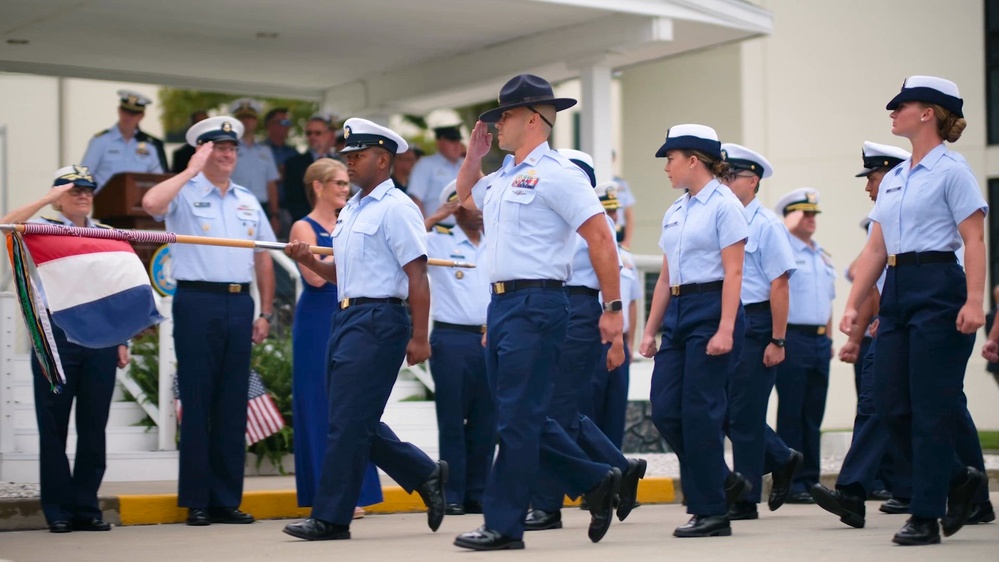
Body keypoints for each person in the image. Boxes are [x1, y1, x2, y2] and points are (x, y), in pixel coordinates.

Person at [452, 74, 624, 551]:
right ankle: (595, 480)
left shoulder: (560, 174)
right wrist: (473, 156)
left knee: (516, 420)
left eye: (503, 116)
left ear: (532, 118)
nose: (496, 125)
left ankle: (503, 525)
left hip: (538, 302)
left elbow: (600, 238)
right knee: (517, 415)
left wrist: (612, 307)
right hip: (503, 305)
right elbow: (466, 197)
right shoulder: (505, 175)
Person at [281, 118, 446, 541]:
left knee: (346, 423)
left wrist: (420, 336)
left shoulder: (398, 207)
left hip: (380, 319)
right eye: (348, 155)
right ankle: (424, 473)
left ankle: (331, 518)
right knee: (348, 419)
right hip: (345, 316)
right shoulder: (352, 209)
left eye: (358, 155)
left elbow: (417, 274)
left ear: (383, 160)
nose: (350, 162)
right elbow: (343, 273)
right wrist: (308, 260)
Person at [843, 76, 989, 545]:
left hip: (939, 284)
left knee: (930, 408)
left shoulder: (953, 171)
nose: (893, 112)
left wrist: (974, 300)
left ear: (928, 113)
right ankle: (959, 479)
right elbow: (875, 249)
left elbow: (974, 239)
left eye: (901, 106)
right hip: (898, 289)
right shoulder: (896, 178)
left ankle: (925, 515)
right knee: (888, 404)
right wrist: (853, 305)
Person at [141, 116, 276, 527]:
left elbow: (263, 256)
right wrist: (189, 171)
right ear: (202, 152)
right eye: (219, 148)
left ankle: (225, 500)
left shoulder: (246, 199)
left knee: (232, 403)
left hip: (239, 303)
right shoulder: (184, 191)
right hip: (197, 301)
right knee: (198, 402)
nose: (228, 154)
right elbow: (150, 205)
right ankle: (197, 500)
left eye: (232, 148)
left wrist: (265, 311)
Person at [1, 166, 130, 533]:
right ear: (58, 197)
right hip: (55, 336)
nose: (83, 194)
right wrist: (48, 198)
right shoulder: (40, 228)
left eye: (87, 189)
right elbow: (5, 225)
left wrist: (122, 338)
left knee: (93, 427)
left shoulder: (103, 232)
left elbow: (116, 287)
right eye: (74, 190)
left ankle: (86, 507)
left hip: (99, 336)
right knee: (54, 427)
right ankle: (57, 509)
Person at [523, 149, 644, 534]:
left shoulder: (591, 217)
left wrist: (616, 329)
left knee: (554, 412)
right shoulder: (552, 214)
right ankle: (621, 467)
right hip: (553, 305)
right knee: (557, 410)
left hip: (579, 307)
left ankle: (547, 505)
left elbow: (612, 273)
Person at [638, 124, 747, 538]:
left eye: (671, 158)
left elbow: (734, 272)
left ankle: (712, 512)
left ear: (693, 160)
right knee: (665, 409)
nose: (666, 167)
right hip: (679, 311)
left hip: (712, 307)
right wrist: (649, 331)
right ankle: (722, 479)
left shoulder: (724, 205)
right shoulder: (676, 210)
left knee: (701, 414)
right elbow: (666, 278)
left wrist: (726, 328)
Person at [809, 141, 911, 527]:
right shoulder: (884, 221)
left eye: (873, 178)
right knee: (876, 403)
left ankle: (963, 486)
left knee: (937, 408)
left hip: (916, 322)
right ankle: (854, 493)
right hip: (890, 325)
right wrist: (859, 323)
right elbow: (869, 279)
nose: (868, 187)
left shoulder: (919, 215)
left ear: (894, 176)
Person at [288, 158, 382, 517]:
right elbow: (314, 277)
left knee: (352, 403)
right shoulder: (304, 225)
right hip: (317, 317)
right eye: (339, 183)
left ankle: (355, 489)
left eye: (346, 183)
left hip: (350, 311)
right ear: (318, 186)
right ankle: (325, 493)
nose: (346, 189)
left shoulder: (351, 220)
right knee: (318, 403)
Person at [718, 143, 800, 521]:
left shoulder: (767, 224)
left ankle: (745, 497)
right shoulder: (724, 218)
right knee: (724, 409)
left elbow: (779, 285)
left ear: (753, 181)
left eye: (732, 176)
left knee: (744, 414)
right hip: (730, 320)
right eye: (722, 175)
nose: (725, 182)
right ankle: (781, 457)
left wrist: (777, 339)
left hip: (758, 321)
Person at [422, 181, 495, 516]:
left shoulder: (496, 241)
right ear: (455, 207)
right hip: (452, 339)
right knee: (452, 419)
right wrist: (436, 217)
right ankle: (452, 493)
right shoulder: (439, 240)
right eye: (471, 204)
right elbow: (404, 244)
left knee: (486, 420)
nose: (479, 211)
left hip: (490, 338)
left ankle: (477, 492)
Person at [771, 187, 835, 505]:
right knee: (792, 412)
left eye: (813, 214)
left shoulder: (822, 255)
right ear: (789, 216)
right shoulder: (783, 249)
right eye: (804, 214)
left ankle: (810, 480)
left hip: (820, 340)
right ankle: (791, 482)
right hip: (793, 337)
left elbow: (828, 301)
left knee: (813, 414)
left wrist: (830, 338)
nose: (811, 219)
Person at [582, 180, 637, 449]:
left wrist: (629, 342)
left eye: (615, 211)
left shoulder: (625, 256)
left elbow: (633, 302)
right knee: (589, 411)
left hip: (619, 342)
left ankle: (614, 468)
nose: (613, 216)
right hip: (596, 338)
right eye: (608, 210)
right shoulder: (589, 251)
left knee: (615, 413)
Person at [81, 90, 166, 192]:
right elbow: (84, 175)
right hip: (105, 199)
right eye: (125, 111)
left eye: (133, 113)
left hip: (138, 200)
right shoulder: (100, 141)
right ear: (119, 110)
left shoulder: (150, 145)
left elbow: (158, 180)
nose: (128, 117)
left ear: (141, 116)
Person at [229, 98, 281, 235]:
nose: (246, 121)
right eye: (242, 118)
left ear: (256, 121)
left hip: (261, 207)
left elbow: (271, 184)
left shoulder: (265, 151)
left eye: (250, 118)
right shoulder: (229, 149)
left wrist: (274, 214)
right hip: (234, 206)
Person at [284, 113, 338, 222]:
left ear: (329, 135)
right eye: (309, 133)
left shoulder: (338, 163)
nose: (312, 137)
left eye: (318, 133)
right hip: (306, 222)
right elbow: (292, 200)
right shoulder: (294, 163)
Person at [408, 125, 464, 217]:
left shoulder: (465, 164)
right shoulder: (426, 164)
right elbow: (416, 199)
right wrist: (425, 224)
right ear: (439, 143)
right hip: (437, 224)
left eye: (458, 141)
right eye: (452, 141)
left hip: (465, 225)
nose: (457, 145)